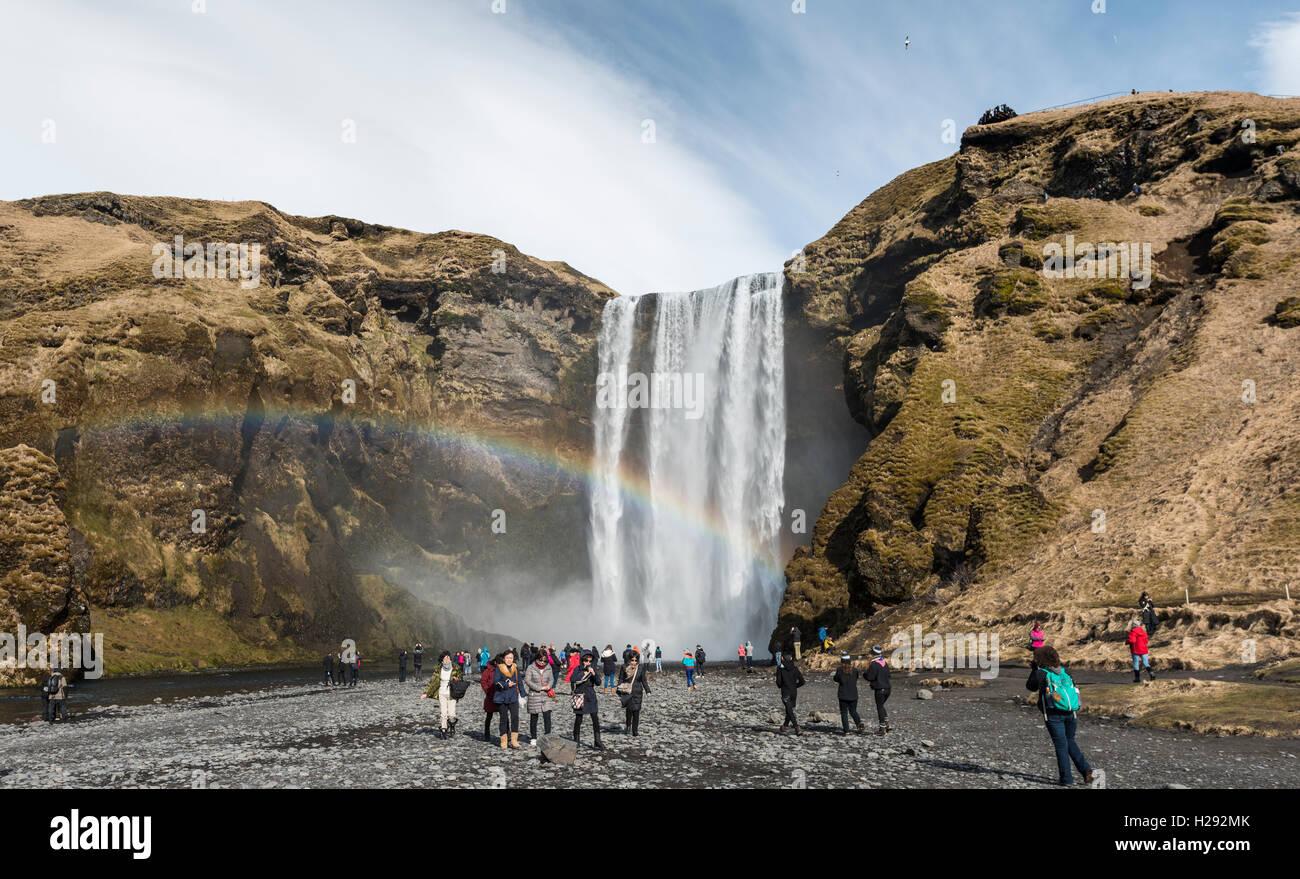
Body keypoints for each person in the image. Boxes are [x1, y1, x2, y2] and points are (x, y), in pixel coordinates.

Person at [1026, 645, 1094, 786]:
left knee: (1061, 746)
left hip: (1053, 714)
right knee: (1070, 741)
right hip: (1071, 713)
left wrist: (1034, 669)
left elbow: (1030, 686)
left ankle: (1066, 779)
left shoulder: (1041, 673)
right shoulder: (1065, 672)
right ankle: (1085, 769)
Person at [421, 651, 461, 738]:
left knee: (452, 714)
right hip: (441, 693)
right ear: (442, 659)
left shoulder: (456, 667)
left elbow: (461, 679)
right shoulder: (439, 669)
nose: (447, 659)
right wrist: (426, 693)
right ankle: (443, 729)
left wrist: (457, 679)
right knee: (443, 713)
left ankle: (452, 725)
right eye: (445, 658)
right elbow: (433, 682)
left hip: (452, 694)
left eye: (448, 657)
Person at [570, 651, 604, 750]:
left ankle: (597, 741)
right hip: (580, 695)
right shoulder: (577, 669)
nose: (588, 662)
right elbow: (572, 679)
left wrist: (593, 674)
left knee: (595, 719)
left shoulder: (593, 669)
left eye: (590, 661)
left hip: (590, 696)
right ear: (582, 660)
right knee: (579, 719)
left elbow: (598, 683)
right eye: (586, 660)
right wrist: (582, 674)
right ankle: (576, 741)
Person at [493, 649, 525, 749]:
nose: (509, 660)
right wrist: (506, 684)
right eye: (507, 658)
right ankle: (504, 740)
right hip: (502, 697)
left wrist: (523, 693)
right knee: (504, 719)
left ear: (513, 659)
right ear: (504, 658)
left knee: (515, 718)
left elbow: (519, 681)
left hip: (513, 696)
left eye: (511, 658)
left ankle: (514, 740)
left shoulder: (515, 668)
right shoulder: (499, 668)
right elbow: (496, 681)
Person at [525, 648, 556, 743]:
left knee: (547, 716)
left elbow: (551, 679)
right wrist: (539, 688)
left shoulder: (549, 667)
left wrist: (549, 686)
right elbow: (527, 681)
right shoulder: (530, 667)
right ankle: (533, 737)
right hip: (534, 695)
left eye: (545, 660)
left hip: (546, 696)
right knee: (534, 717)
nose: (542, 662)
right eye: (540, 660)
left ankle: (548, 736)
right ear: (537, 658)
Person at [618, 653, 651, 736]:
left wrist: (648, 690)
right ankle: (628, 726)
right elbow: (621, 678)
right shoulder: (624, 667)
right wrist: (619, 688)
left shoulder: (641, 667)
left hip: (637, 692)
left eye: (636, 660)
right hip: (627, 691)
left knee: (636, 711)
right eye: (632, 660)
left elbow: (644, 680)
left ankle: (635, 730)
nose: (634, 662)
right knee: (629, 710)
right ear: (629, 659)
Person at [832, 654, 864, 734]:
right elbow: (856, 678)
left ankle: (846, 730)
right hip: (853, 694)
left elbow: (836, 679)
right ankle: (859, 723)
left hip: (843, 695)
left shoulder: (839, 670)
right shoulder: (855, 670)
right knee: (853, 711)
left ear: (842, 661)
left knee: (844, 712)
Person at [775, 652, 805, 734]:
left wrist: (782, 684)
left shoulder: (780, 669)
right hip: (793, 692)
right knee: (789, 709)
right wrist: (795, 686)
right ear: (791, 658)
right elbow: (802, 681)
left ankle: (796, 726)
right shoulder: (795, 668)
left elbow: (778, 683)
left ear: (782, 659)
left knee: (789, 710)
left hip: (785, 692)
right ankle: (785, 726)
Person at [865, 645, 891, 735]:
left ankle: (882, 728)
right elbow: (889, 675)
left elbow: (870, 677)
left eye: (870, 653)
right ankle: (887, 724)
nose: (869, 655)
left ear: (873, 654)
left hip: (880, 689)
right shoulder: (884, 662)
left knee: (879, 707)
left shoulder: (874, 664)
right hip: (888, 688)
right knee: (881, 705)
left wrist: (865, 674)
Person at [480, 654, 498, 742]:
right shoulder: (488, 670)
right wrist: (488, 691)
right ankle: (487, 734)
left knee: (504, 716)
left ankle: (507, 735)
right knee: (489, 716)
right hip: (490, 696)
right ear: (495, 662)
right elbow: (483, 681)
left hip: (501, 696)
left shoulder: (503, 669)